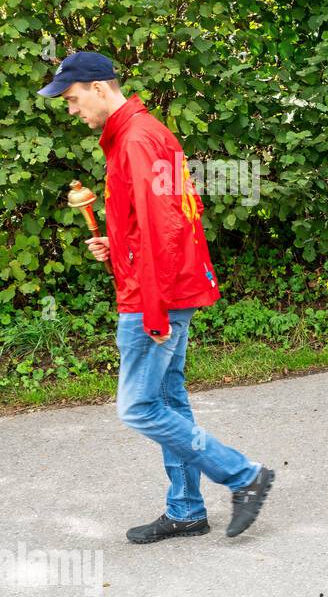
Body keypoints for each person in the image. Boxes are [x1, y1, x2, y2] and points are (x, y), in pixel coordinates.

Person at [39, 52, 275, 543]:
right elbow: (164, 217)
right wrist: (117, 244)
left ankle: (241, 475)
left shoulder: (137, 139)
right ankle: (187, 508)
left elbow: (168, 227)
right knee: (168, 401)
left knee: (138, 407)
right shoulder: (136, 134)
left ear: (100, 88)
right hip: (158, 286)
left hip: (154, 296)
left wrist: (154, 307)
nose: (70, 109)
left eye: (72, 98)